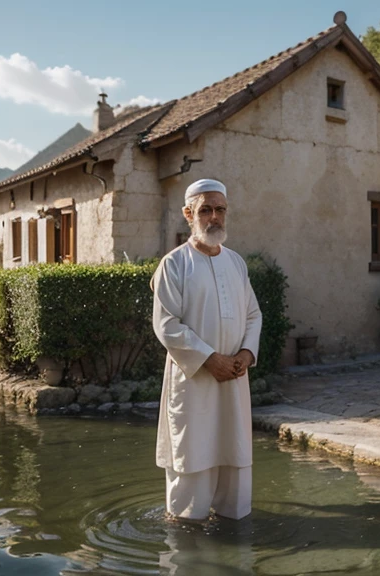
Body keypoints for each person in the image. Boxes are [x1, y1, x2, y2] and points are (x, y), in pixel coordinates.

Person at [151, 178, 262, 521]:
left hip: (234, 380)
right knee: (193, 456)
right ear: (188, 214)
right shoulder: (173, 265)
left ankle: (234, 521)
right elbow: (166, 325)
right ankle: (187, 531)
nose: (214, 217)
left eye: (220, 209)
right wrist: (209, 359)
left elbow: (253, 314)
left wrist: (245, 354)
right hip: (195, 380)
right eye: (205, 210)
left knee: (235, 453)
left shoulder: (236, 263)